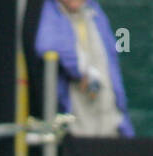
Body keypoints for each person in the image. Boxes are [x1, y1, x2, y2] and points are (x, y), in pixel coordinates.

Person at [34, 0, 134, 138]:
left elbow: (111, 60)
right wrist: (80, 70)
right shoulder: (50, 11)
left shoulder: (94, 11)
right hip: (77, 125)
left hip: (109, 121)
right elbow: (45, 44)